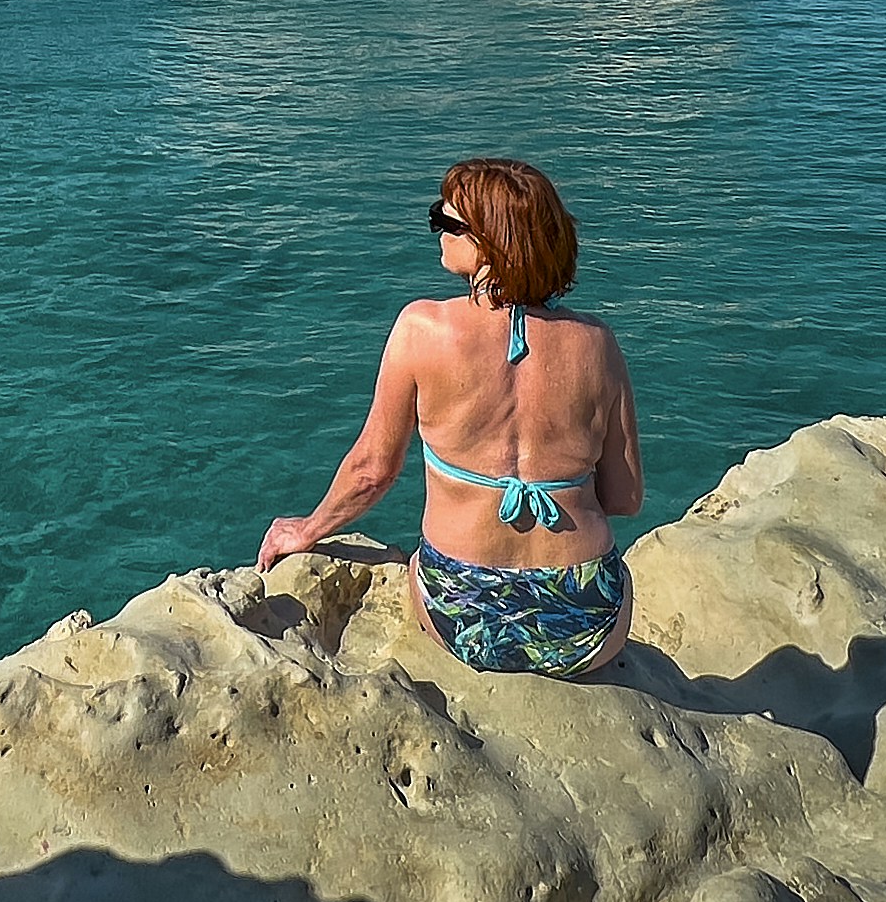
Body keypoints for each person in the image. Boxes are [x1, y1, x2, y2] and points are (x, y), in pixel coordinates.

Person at [254, 157, 642, 676]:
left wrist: (307, 530)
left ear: (490, 243)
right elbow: (625, 498)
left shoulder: (422, 329)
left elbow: (372, 471)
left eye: (448, 222)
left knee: (419, 566)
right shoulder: (599, 344)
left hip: (462, 609)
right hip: (585, 622)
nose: (437, 231)